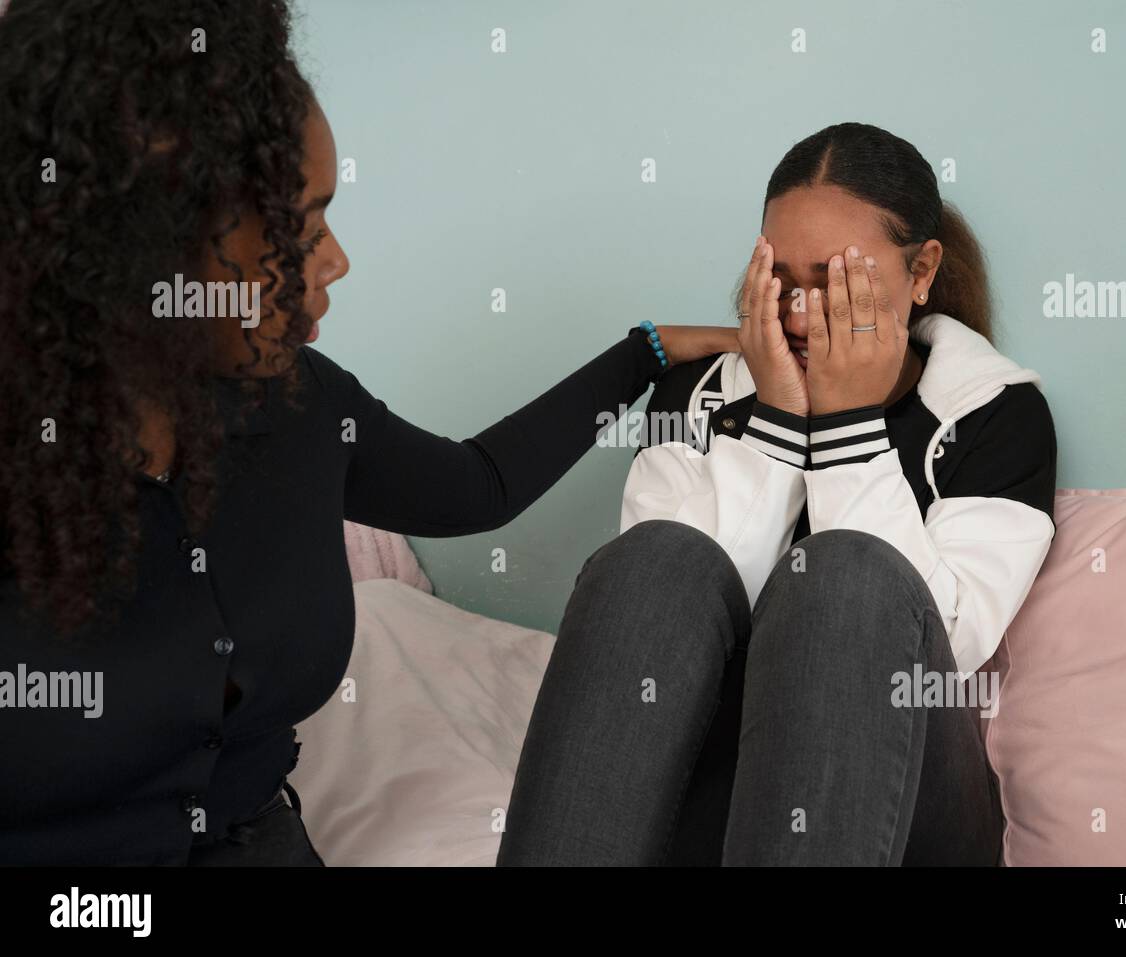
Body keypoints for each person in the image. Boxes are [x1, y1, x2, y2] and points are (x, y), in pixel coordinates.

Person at [0, 0, 734, 865]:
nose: (336, 258)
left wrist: (643, 354)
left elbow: (478, 482)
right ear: (152, 248)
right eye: (300, 227)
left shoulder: (298, 404)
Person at [498, 122, 1059, 866]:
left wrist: (849, 427)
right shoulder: (691, 397)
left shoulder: (996, 414)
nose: (798, 313)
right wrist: (775, 419)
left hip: (903, 804)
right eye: (782, 278)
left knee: (846, 576)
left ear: (921, 271)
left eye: (833, 280)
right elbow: (666, 630)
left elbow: (936, 658)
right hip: (702, 799)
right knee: (656, 557)